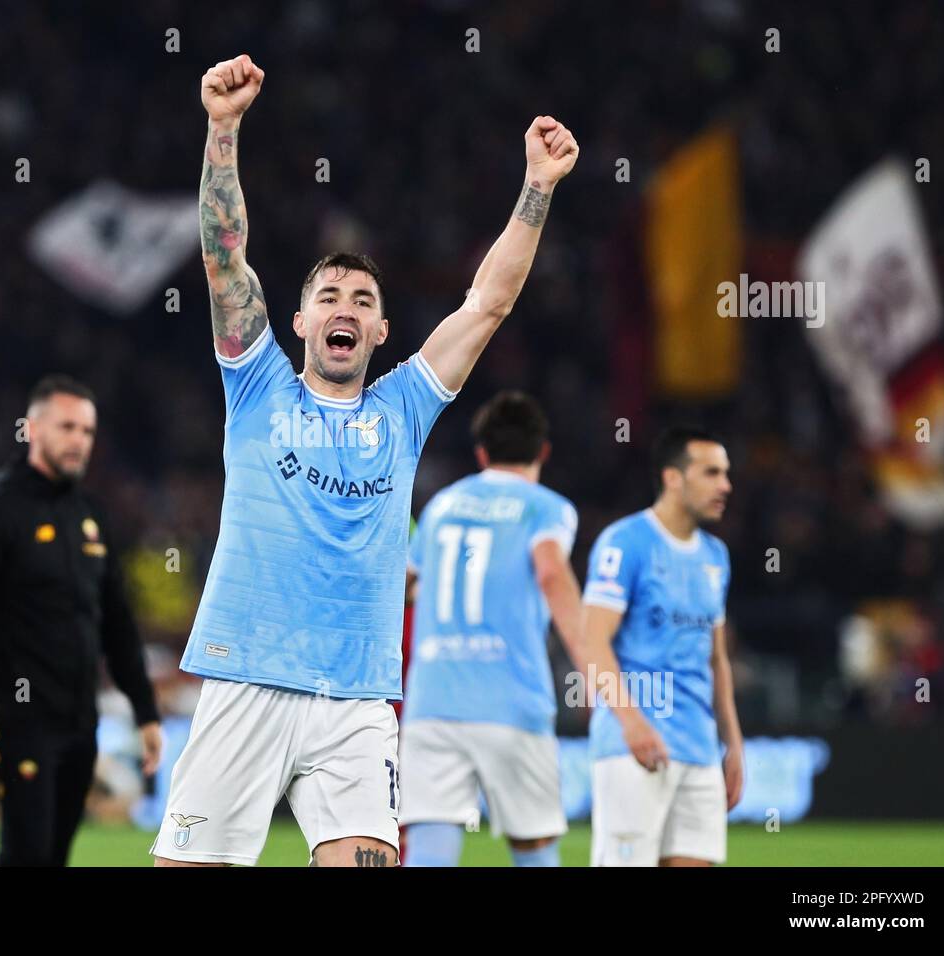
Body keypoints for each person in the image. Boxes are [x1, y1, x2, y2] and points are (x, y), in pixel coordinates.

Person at [152, 53, 579, 866]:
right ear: (302, 323)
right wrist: (222, 130)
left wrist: (537, 188)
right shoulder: (258, 388)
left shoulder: (403, 410)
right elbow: (223, 258)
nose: (346, 308)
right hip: (248, 675)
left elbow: (487, 301)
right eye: (329, 298)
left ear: (381, 333)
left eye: (363, 301)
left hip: (356, 698)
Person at [0, 374, 162, 867]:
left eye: (86, 431)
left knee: (52, 857)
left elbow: (117, 624)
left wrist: (145, 710)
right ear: (33, 429)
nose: (79, 441)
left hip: (81, 721)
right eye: (67, 427)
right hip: (19, 718)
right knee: (27, 855)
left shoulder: (90, 517)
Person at [400, 391, 584, 866]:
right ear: (543, 450)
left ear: (481, 453)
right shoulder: (548, 508)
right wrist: (597, 671)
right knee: (534, 844)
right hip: (511, 699)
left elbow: (403, 585)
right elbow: (550, 571)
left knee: (428, 847)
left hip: (432, 702)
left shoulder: (441, 506)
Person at [582, 426, 745, 866]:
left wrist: (733, 742)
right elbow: (592, 641)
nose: (725, 485)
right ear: (673, 478)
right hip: (633, 748)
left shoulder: (716, 557)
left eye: (726, 474)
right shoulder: (626, 542)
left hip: (698, 748)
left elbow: (717, 660)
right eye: (712, 473)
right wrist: (631, 722)